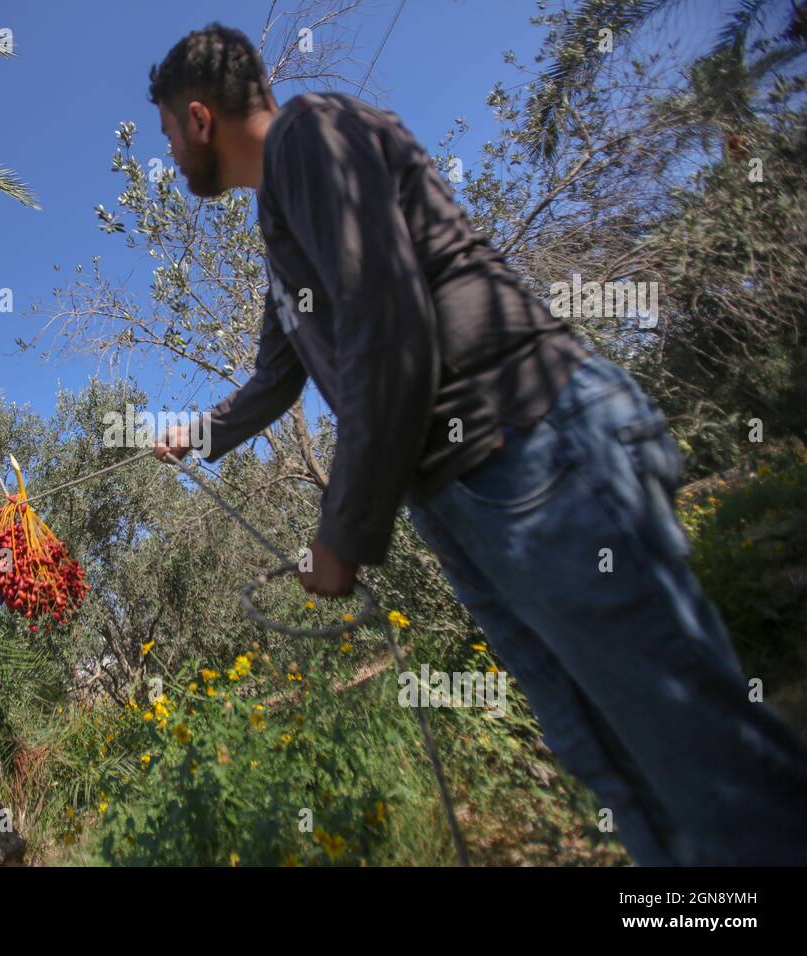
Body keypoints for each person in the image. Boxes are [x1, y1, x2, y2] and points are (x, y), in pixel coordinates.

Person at [149, 23, 807, 866]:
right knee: (610, 759)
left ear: (198, 118)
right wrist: (196, 435)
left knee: (696, 760)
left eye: (167, 134)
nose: (169, 154)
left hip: (532, 445)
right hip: (469, 494)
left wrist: (342, 533)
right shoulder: (281, 231)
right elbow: (277, 378)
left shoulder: (312, 134)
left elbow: (388, 326)